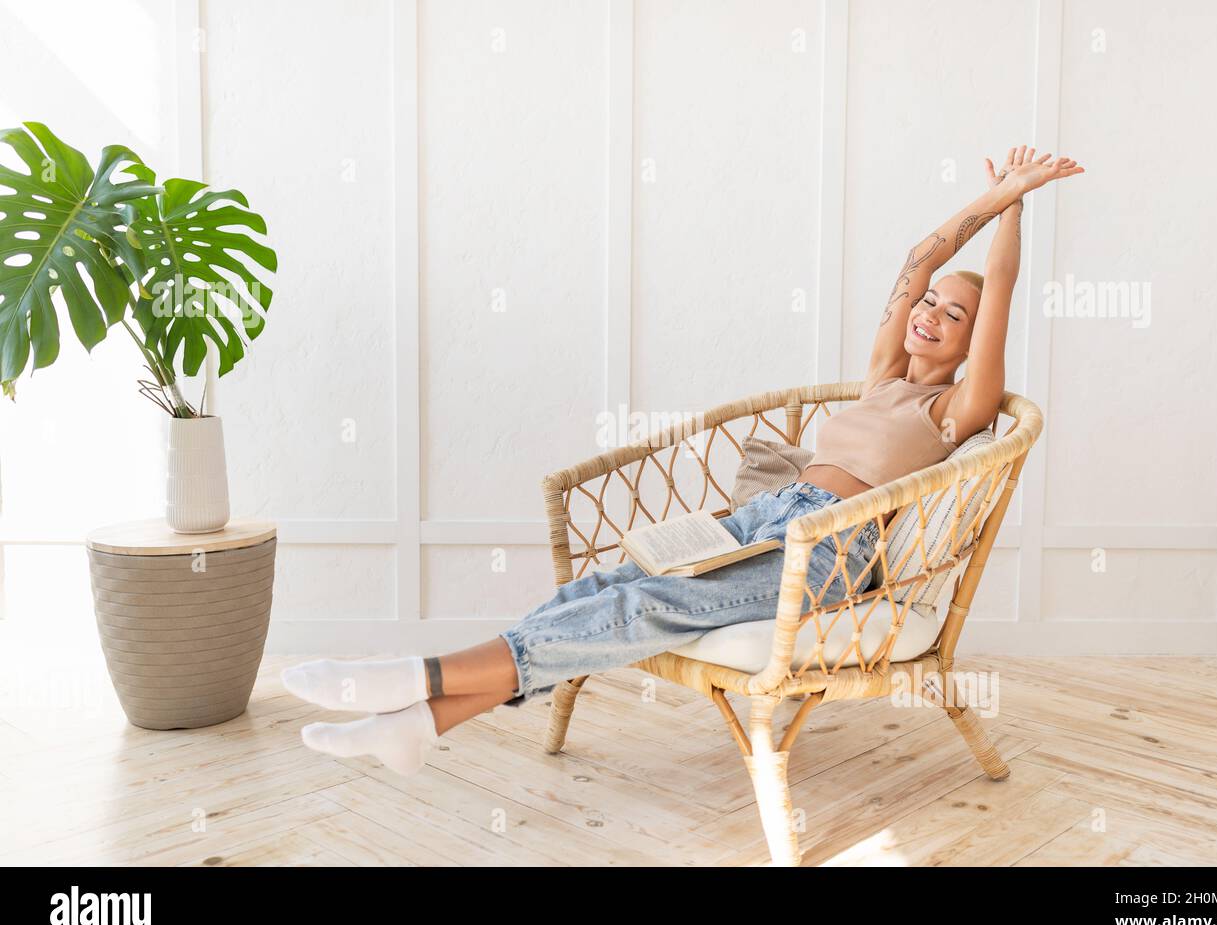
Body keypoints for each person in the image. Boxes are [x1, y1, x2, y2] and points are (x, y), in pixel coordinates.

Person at [284, 145, 1084, 775]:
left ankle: (417, 682)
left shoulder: (954, 412)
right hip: (764, 520)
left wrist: (1014, 208)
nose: (931, 314)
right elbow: (914, 261)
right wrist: (984, 198)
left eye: (955, 313)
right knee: (607, 587)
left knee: (644, 611)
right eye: (930, 304)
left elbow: (1000, 293)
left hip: (834, 549)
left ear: (972, 338)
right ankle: (422, 725)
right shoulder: (881, 379)